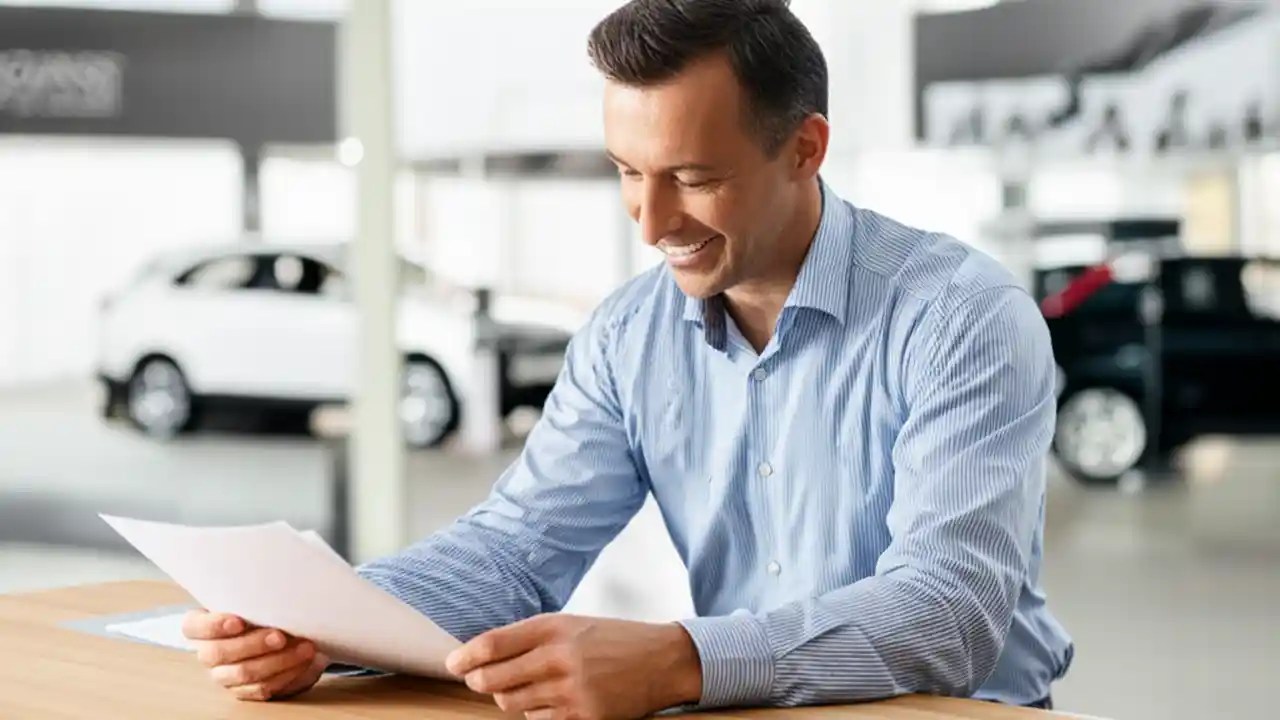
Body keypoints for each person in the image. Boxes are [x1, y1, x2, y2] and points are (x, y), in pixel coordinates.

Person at [181, 0, 1074, 716]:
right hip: (746, 708)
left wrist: (682, 658)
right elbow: (515, 552)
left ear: (805, 148)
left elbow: (947, 611)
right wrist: (327, 623)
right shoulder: (628, 334)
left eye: (693, 179)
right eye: (625, 171)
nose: (649, 224)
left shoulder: (961, 317)